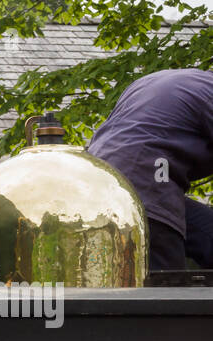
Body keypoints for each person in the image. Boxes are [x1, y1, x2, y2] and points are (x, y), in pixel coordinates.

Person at [86, 68, 213, 271]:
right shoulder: (208, 91)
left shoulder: (157, 81)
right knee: (166, 287)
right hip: (147, 187)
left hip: (94, 179)